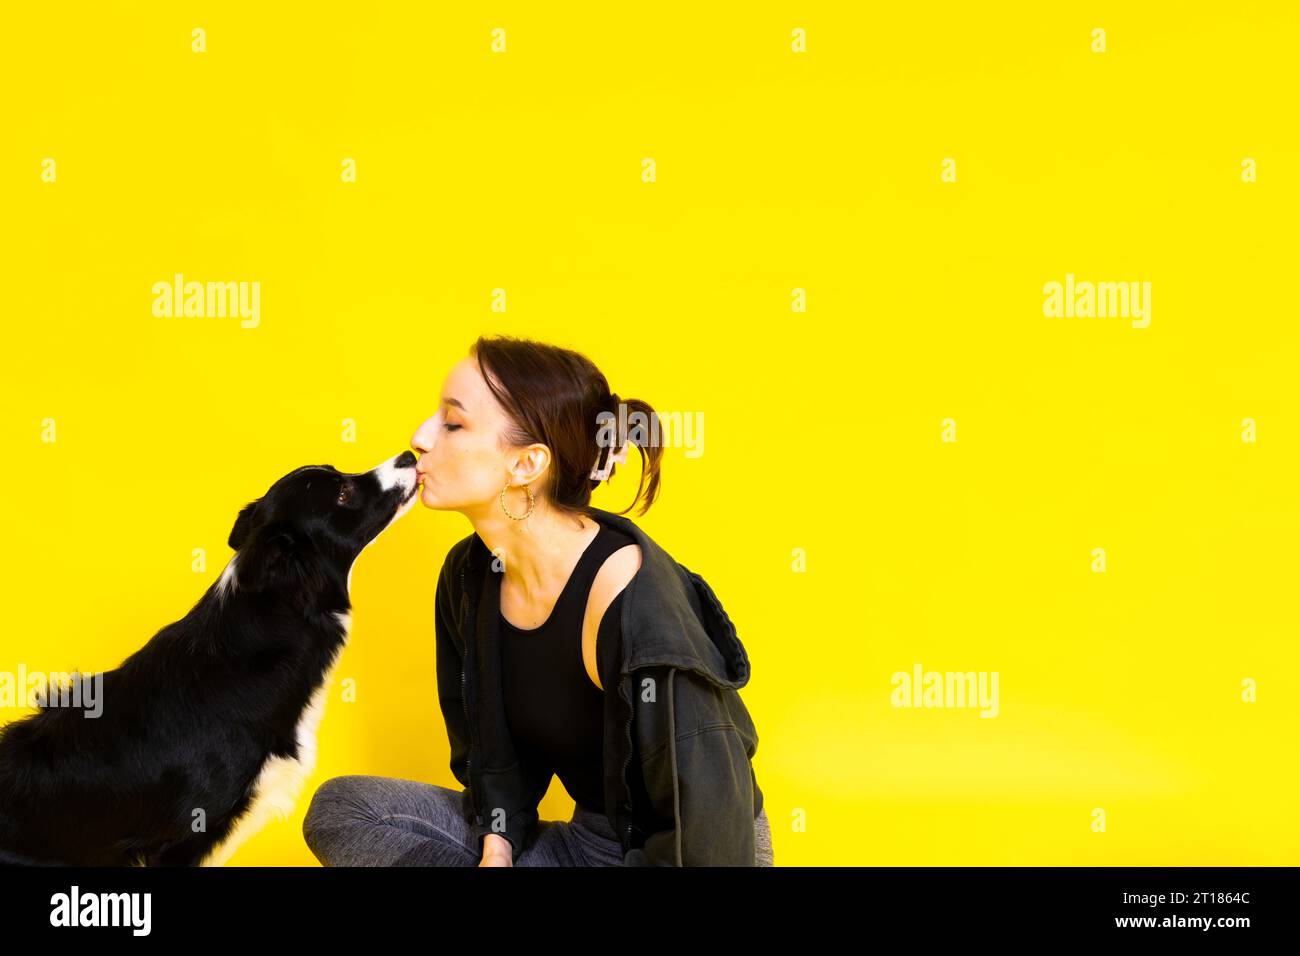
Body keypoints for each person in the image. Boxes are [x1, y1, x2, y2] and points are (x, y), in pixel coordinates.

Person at [302, 334, 771, 866]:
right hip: (585, 845)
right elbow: (494, 756)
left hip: (691, 853)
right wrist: (497, 849)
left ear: (527, 465)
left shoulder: (635, 601)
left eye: (453, 423)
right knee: (345, 810)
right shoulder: (470, 575)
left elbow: (710, 830)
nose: (421, 437)